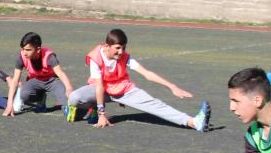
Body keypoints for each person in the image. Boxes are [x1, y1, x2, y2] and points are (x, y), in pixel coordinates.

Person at [66, 28, 209, 132]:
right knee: (74, 98)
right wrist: (102, 114)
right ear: (106, 45)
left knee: (156, 105)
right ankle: (94, 109)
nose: (121, 52)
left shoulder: (125, 56)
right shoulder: (95, 57)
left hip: (124, 91)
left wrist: (172, 86)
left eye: (123, 48)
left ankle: (194, 122)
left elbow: (147, 74)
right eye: (117, 48)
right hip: (101, 90)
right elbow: (99, 86)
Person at [4, 32, 75, 117]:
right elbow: (15, 80)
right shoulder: (22, 56)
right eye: (23, 49)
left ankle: (67, 106)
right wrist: (9, 104)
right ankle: (41, 98)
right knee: (24, 95)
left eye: (28, 50)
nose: (24, 52)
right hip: (36, 80)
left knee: (68, 100)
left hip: (52, 80)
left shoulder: (49, 56)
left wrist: (69, 88)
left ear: (38, 49)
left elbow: (60, 73)